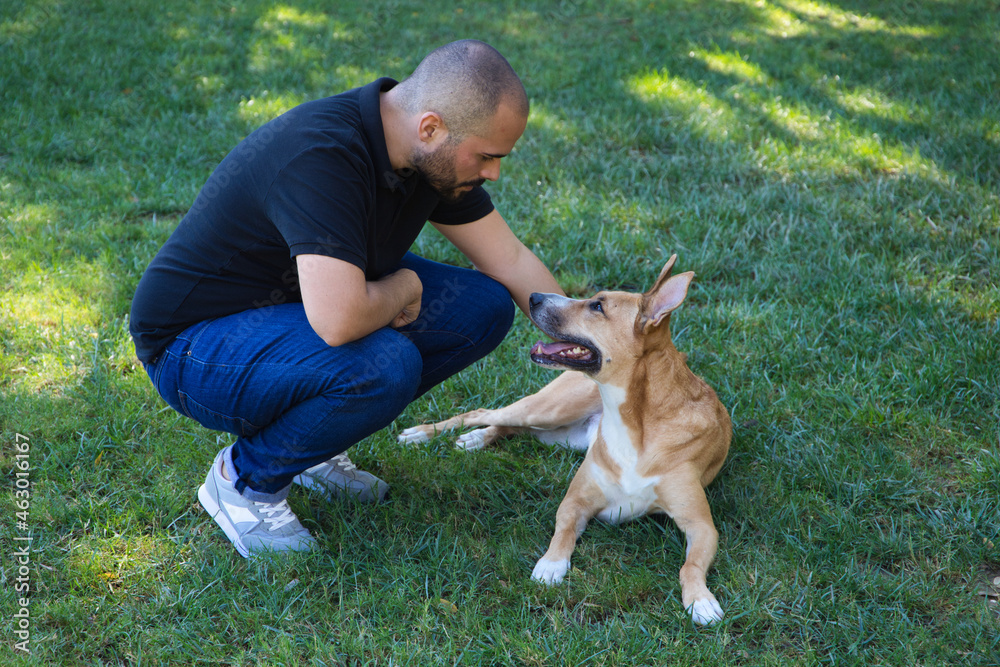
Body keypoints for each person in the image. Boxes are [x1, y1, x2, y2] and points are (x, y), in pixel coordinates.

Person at [129, 40, 564, 558]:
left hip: (297, 310)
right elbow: (339, 322)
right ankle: (245, 481)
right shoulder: (324, 155)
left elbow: (509, 260)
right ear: (431, 127)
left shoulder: (432, 158)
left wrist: (598, 344)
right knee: (383, 363)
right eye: (488, 156)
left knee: (483, 307)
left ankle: (312, 446)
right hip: (194, 347)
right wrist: (404, 287)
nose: (493, 172)